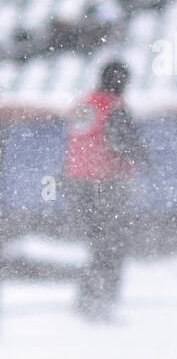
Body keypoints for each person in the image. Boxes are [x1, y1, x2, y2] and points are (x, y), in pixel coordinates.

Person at [63, 61, 151, 321]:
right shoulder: (115, 108)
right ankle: (100, 303)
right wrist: (145, 159)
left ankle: (88, 299)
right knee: (111, 246)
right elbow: (124, 142)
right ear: (121, 82)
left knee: (98, 245)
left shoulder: (84, 104)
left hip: (78, 184)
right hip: (106, 184)